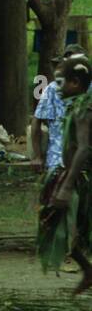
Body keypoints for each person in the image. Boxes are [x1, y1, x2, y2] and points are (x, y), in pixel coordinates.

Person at [39, 54, 92, 293]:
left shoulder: (84, 109)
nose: (56, 88)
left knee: (67, 226)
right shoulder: (77, 106)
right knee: (62, 225)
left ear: (76, 83)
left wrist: (68, 184)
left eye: (60, 82)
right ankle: (88, 270)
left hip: (82, 179)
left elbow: (83, 148)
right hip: (74, 175)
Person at [32, 44, 85, 171]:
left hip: (85, 163)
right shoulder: (52, 89)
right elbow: (36, 121)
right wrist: (38, 156)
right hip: (58, 161)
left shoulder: (89, 90)